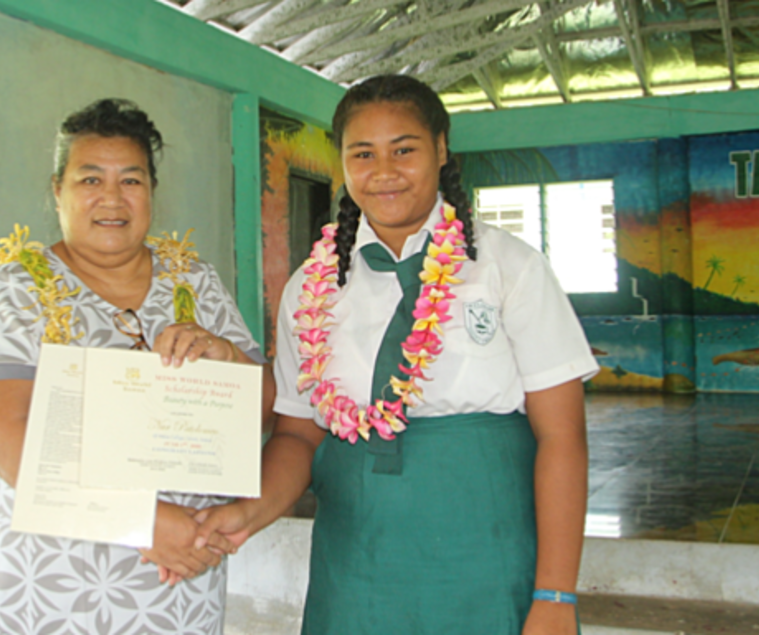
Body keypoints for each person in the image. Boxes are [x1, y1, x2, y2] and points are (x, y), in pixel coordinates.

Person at [195, 75, 599, 634]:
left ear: (440, 149)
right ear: (343, 162)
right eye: (363, 153)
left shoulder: (508, 267)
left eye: (404, 149)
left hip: (487, 549)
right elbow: (297, 434)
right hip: (356, 557)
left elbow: (563, 436)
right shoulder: (313, 288)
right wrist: (250, 512)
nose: (383, 171)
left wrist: (555, 594)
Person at [0, 98, 271, 634]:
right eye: (89, 180)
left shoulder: (193, 280)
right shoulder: (20, 285)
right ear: (57, 190)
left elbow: (262, 405)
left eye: (131, 180)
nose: (112, 198)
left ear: (151, 192)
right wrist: (143, 522)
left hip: (179, 573)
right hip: (57, 573)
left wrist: (228, 357)